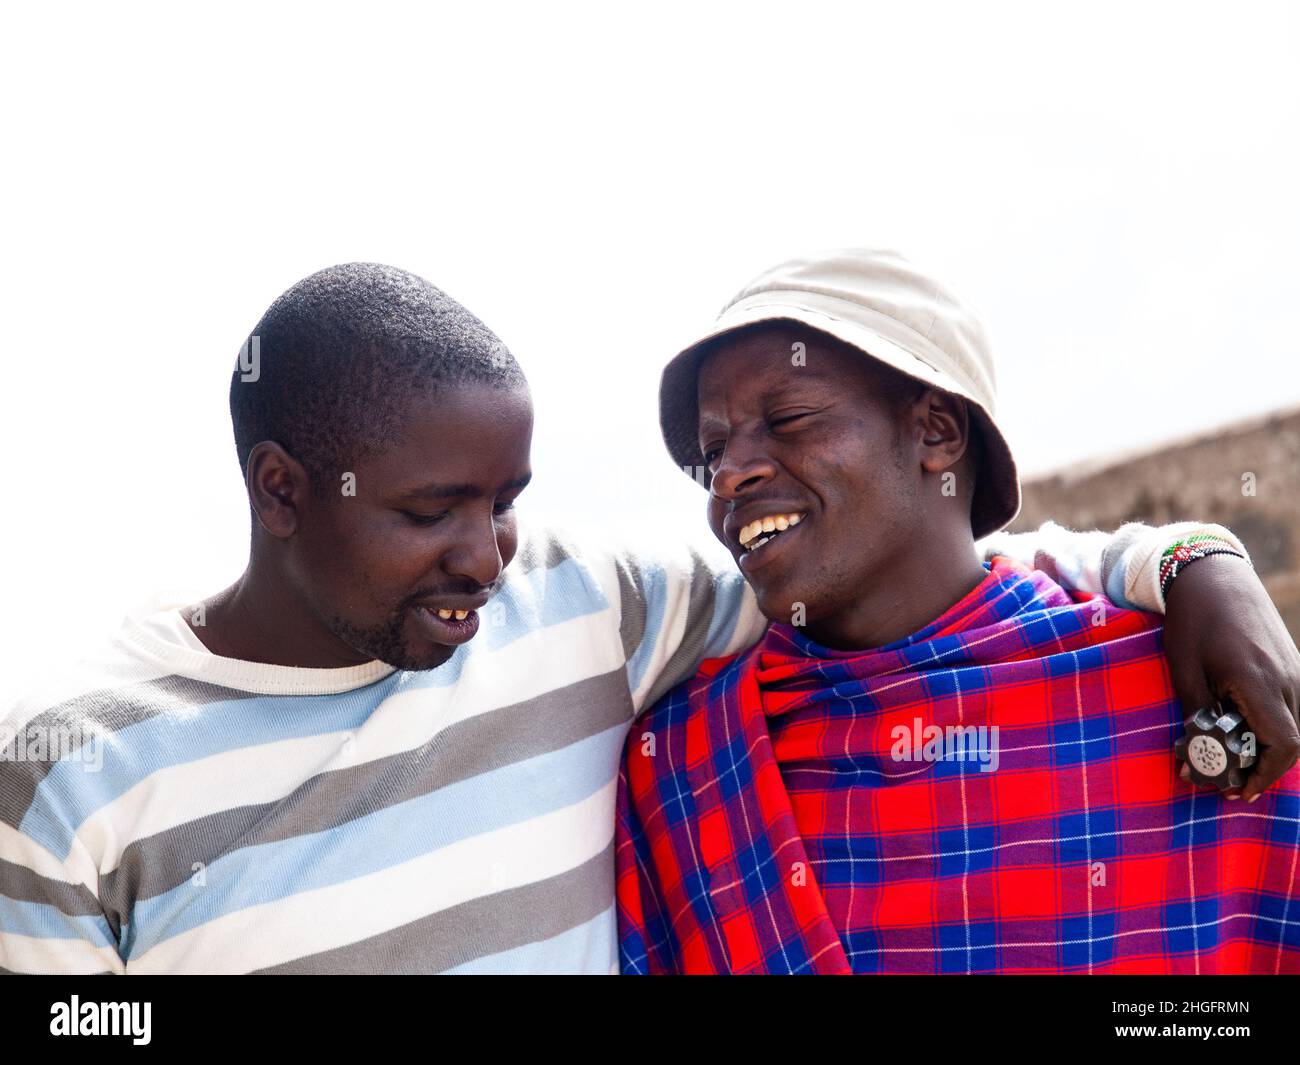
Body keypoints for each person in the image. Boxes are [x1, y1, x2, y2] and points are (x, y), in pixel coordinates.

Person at [0, 262, 1291, 974]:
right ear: (281, 490)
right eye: (434, 510)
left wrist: (1185, 557)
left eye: (507, 502)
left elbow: (920, 576)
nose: (485, 555)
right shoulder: (74, 770)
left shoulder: (582, 612)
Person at [616, 248, 1300, 974]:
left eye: (787, 417)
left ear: (937, 431)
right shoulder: (684, 764)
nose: (727, 473)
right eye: (714, 447)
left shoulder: (1179, 685)